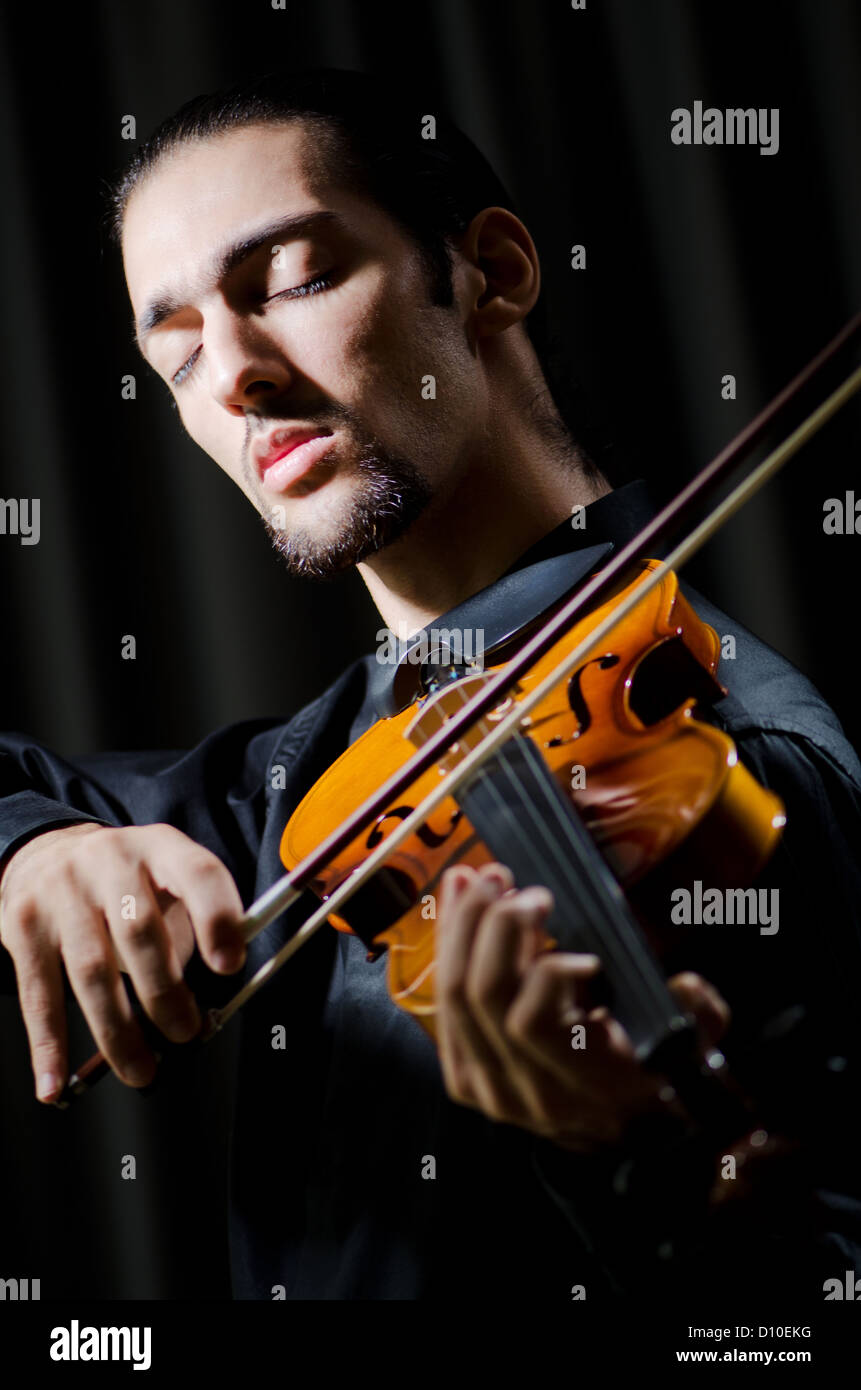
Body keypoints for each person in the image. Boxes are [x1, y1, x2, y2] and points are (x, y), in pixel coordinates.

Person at [1, 68, 860, 1303]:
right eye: (177, 349)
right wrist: (35, 850)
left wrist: (630, 1158)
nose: (234, 373)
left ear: (492, 273)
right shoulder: (307, 787)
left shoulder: (746, 772)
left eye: (292, 277)